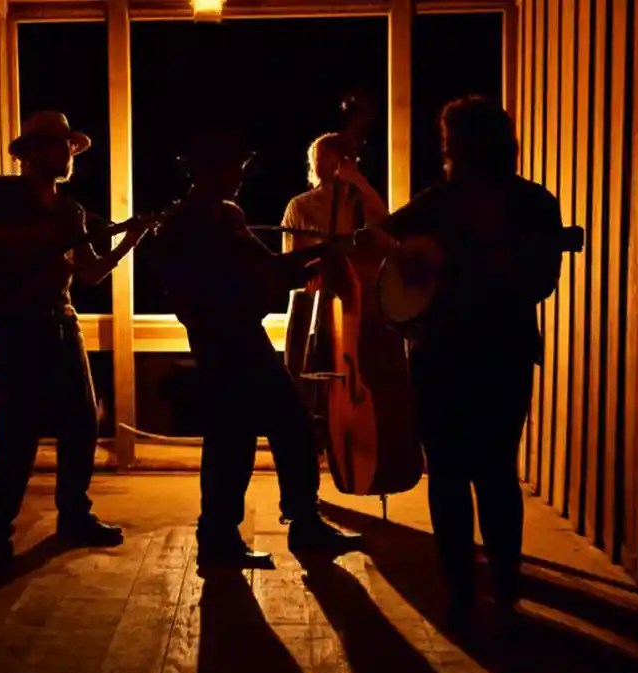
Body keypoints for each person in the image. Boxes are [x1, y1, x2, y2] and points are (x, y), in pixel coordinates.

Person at [360, 96, 564, 628]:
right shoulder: (526, 201)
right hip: (494, 350)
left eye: (452, 140)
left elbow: (539, 278)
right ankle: (500, 592)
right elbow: (388, 234)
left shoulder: (459, 203)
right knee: (484, 473)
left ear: (470, 145)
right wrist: (394, 249)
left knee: (461, 474)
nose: (445, 149)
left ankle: (470, 596)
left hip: (455, 351)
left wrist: (441, 264)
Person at [0, 111, 151, 568]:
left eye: (68, 147)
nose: (67, 155)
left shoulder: (70, 211)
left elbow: (90, 274)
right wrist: (22, 238)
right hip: (15, 325)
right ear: (30, 154)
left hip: (62, 323)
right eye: (57, 145)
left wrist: (131, 239)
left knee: (82, 424)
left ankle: (74, 516)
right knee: (18, 433)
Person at [150, 126, 362, 568]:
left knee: (239, 437)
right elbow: (242, 278)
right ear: (211, 170)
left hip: (233, 339)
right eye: (235, 167)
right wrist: (312, 261)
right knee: (280, 429)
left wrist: (318, 255)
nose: (241, 176)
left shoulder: (217, 216)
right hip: (229, 342)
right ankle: (291, 527)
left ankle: (227, 538)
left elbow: (261, 269)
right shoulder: (195, 223)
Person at [280, 133, 388, 383]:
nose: (317, 163)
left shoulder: (358, 201)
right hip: (314, 302)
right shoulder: (299, 206)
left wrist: (358, 181)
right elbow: (291, 265)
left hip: (357, 307)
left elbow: (385, 224)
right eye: (315, 158)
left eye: (324, 157)